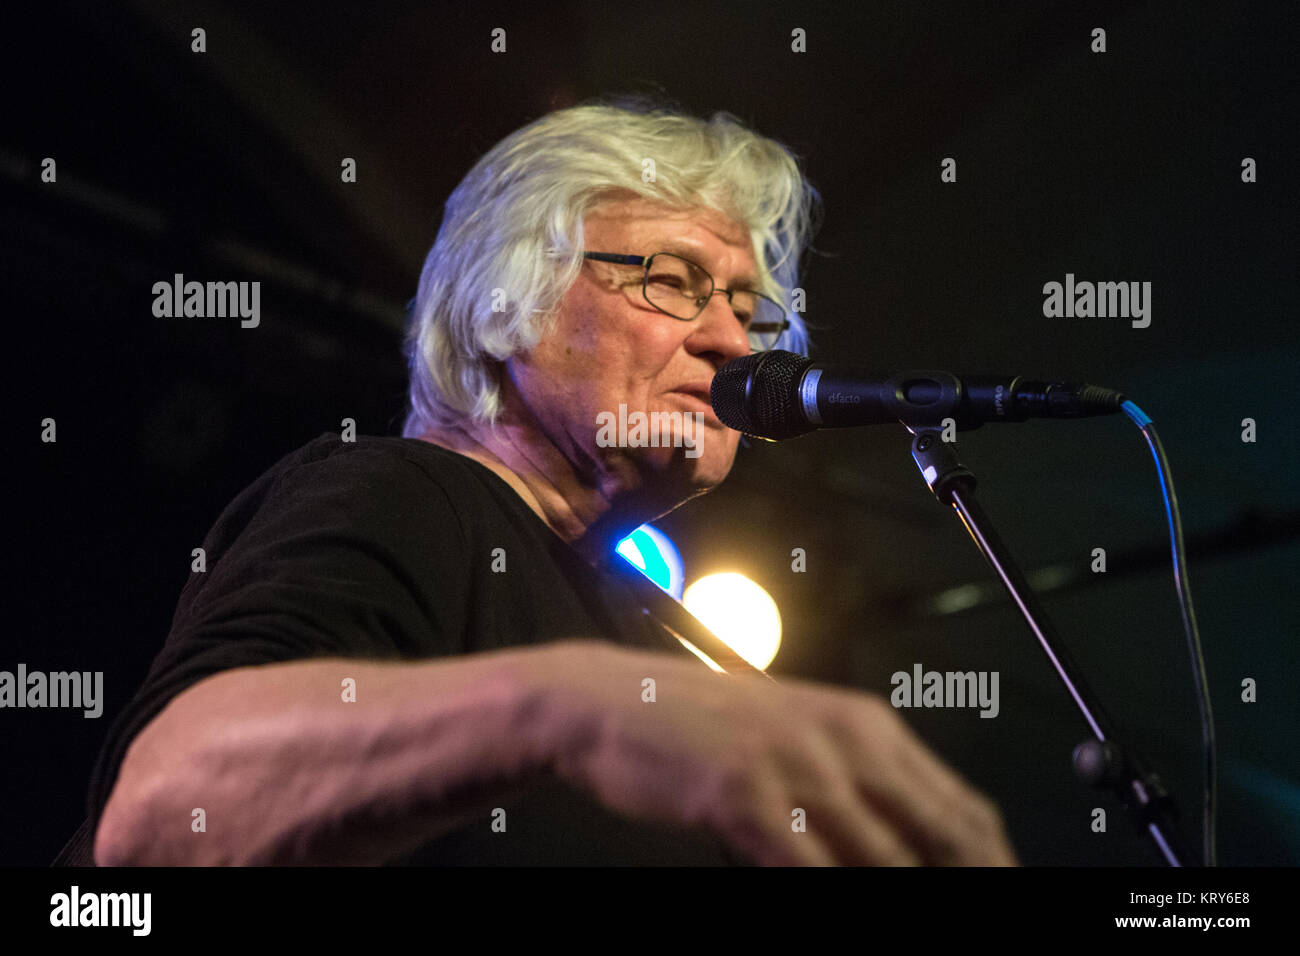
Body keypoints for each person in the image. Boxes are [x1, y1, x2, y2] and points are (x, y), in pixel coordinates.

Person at [89, 101, 1018, 866]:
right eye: (671, 279)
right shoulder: (409, 496)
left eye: (747, 309)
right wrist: (573, 711)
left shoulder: (659, 627)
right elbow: (162, 811)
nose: (734, 343)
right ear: (504, 305)